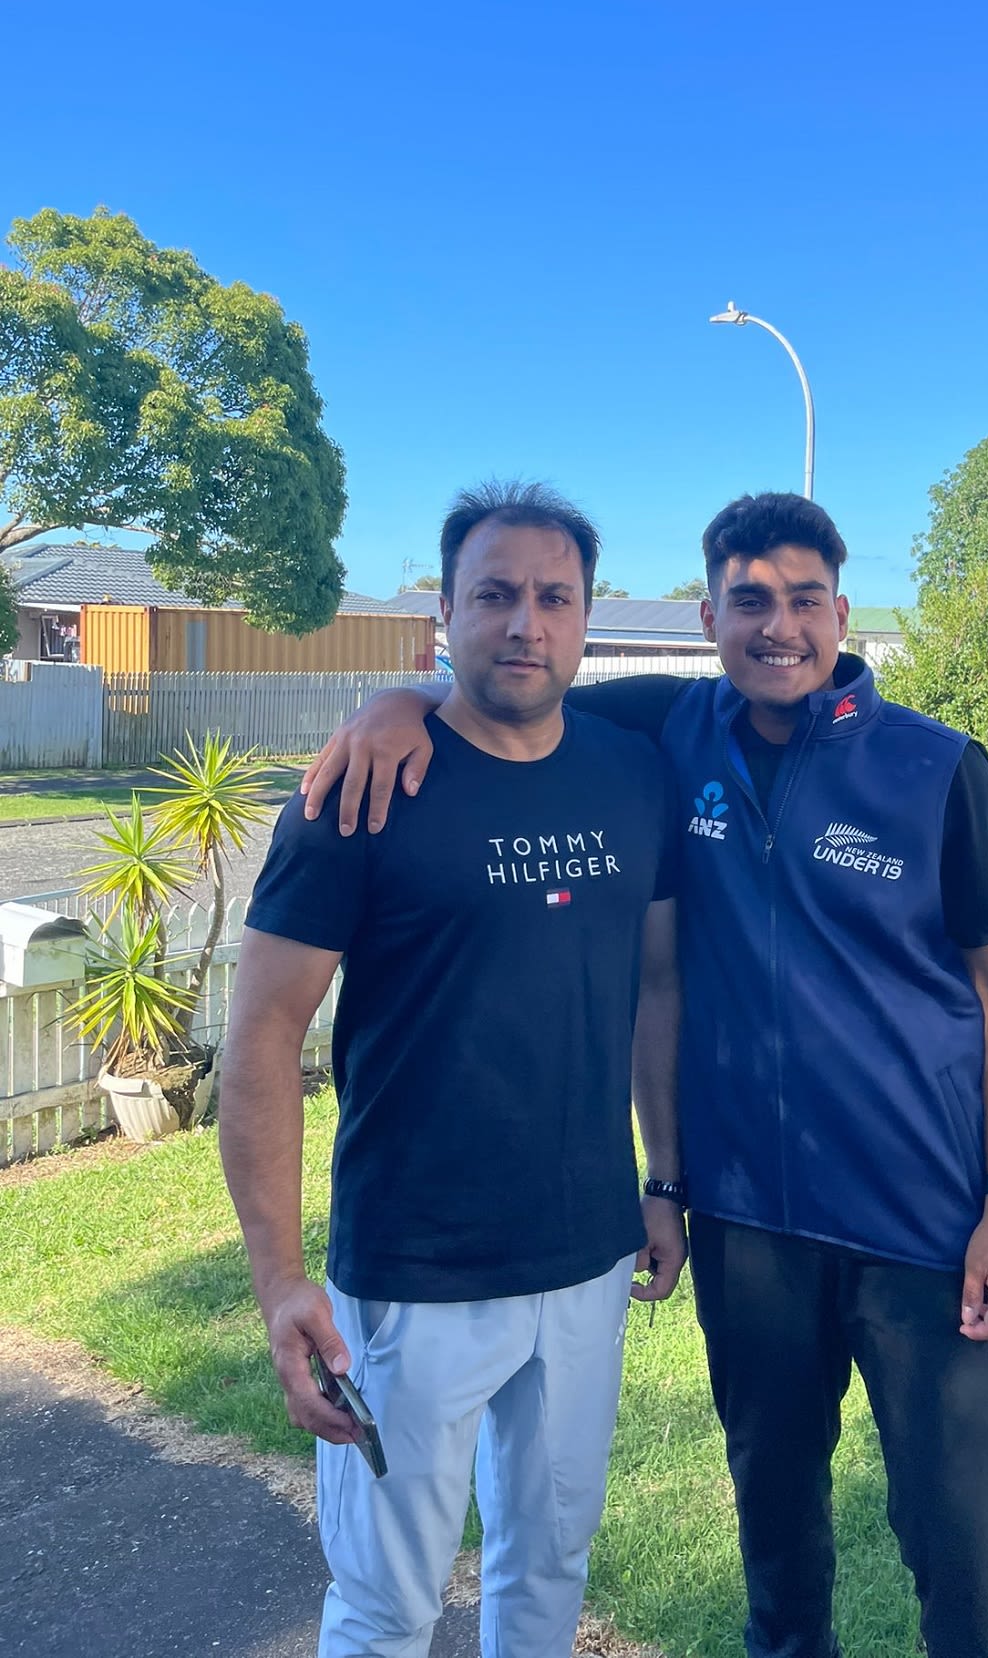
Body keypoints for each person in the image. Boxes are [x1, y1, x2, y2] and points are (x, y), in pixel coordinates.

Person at [302, 491, 988, 1658]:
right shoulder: (669, 729)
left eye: (804, 601)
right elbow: (507, 694)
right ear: (707, 617)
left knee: (959, 1536)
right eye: (749, 602)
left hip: (922, 1225)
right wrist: (392, 699)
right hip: (747, 1221)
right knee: (776, 1526)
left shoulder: (933, 767)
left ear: (843, 614)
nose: (777, 628)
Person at [220, 480, 685, 1658]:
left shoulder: (634, 772)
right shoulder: (357, 794)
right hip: (413, 1273)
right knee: (386, 1604)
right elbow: (265, 1033)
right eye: (493, 595)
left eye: (551, 597)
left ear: (587, 617)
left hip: (588, 1259)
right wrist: (282, 1285)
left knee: (548, 1573)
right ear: (444, 609)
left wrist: (665, 1176)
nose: (523, 623)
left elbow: (659, 988)